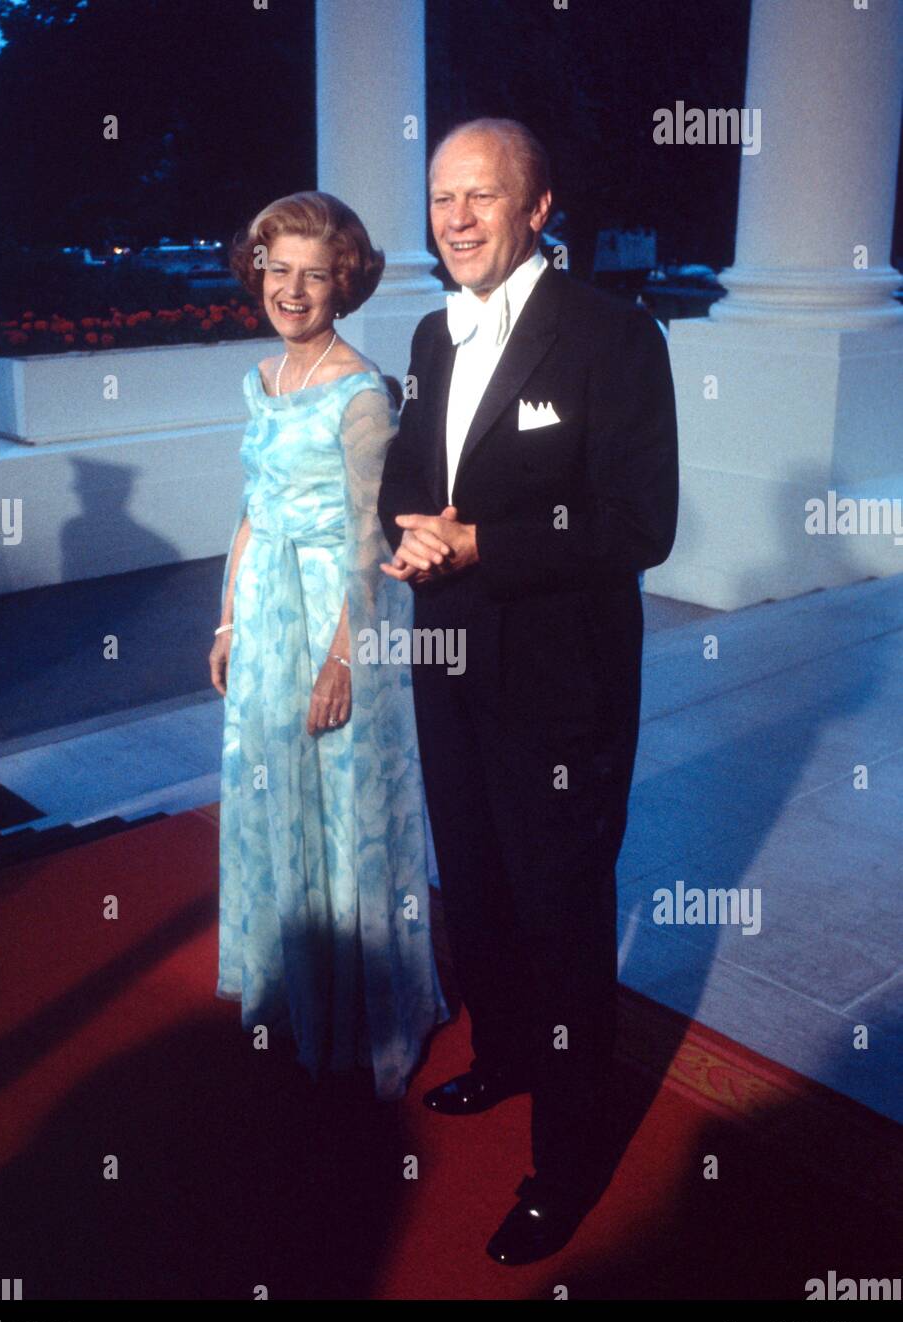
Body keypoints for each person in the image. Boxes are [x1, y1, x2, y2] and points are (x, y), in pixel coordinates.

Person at [378, 119, 678, 1262]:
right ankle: (502, 1056)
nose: (454, 218)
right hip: (447, 663)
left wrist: (483, 547)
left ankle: (568, 1160)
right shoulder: (428, 332)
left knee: (560, 915)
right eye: (441, 196)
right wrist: (404, 535)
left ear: (539, 206)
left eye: (480, 197)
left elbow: (638, 524)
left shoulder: (614, 335)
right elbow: (413, 475)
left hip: (562, 687)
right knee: (480, 882)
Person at [212, 191, 448, 1103]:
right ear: (258, 272)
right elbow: (248, 510)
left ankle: (364, 1015)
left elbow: (368, 542)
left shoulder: (361, 393)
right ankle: (292, 989)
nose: (293, 290)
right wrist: (226, 619)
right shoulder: (263, 379)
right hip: (265, 611)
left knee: (341, 799)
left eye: (315, 274)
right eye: (279, 270)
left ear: (344, 282)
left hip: (333, 619)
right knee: (271, 787)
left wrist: (343, 660)